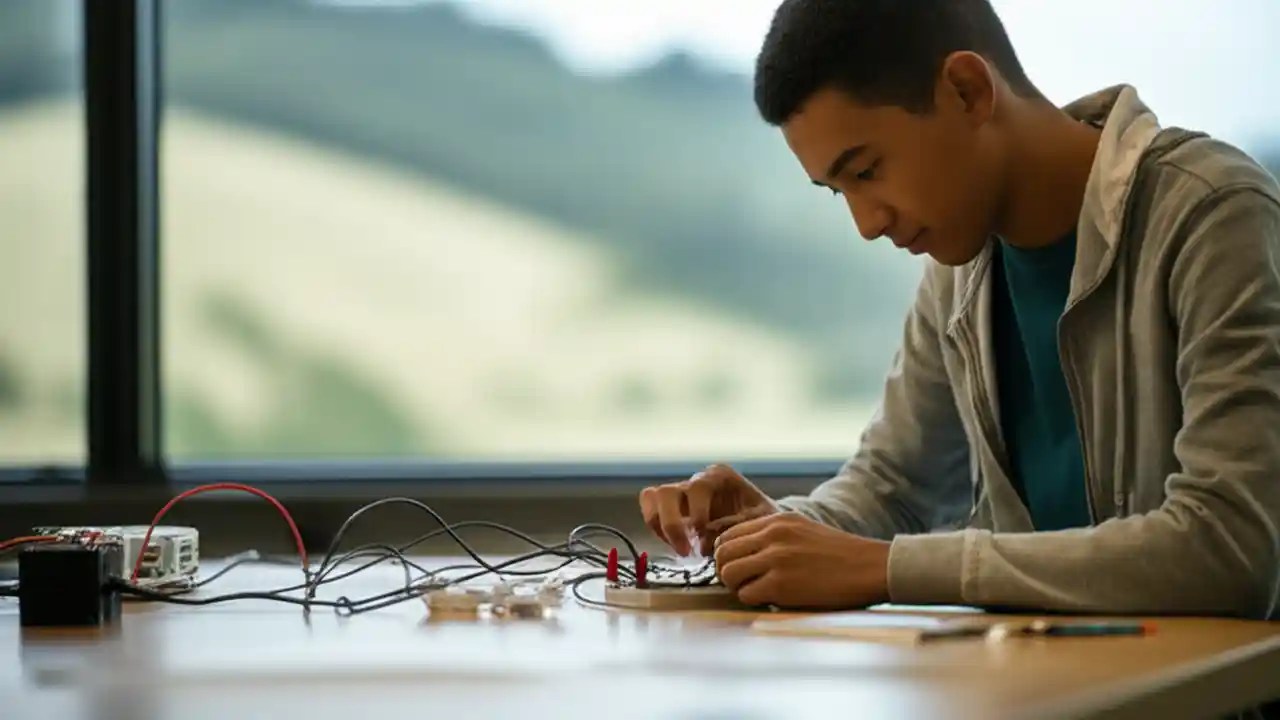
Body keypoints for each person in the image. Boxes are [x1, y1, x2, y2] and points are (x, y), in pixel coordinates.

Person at [638, 0, 1280, 618]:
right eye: (839, 193)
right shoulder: (958, 273)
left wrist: (886, 569)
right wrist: (768, 534)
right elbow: (891, 490)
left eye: (865, 171)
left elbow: (1230, 545)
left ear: (969, 90)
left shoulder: (1211, 214)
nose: (866, 223)